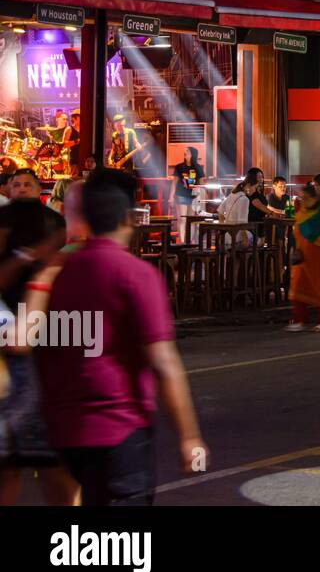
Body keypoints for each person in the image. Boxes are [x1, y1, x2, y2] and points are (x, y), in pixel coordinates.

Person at [37, 169, 206, 504]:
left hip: (66, 431)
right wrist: (189, 436)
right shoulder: (136, 275)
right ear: (130, 218)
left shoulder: (59, 275)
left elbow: (50, 351)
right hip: (119, 430)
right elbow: (162, 360)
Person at [0, 169, 77, 505]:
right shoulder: (6, 218)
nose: (21, 188)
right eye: (16, 184)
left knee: (44, 458)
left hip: (42, 328)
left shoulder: (51, 223)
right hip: (27, 328)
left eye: (27, 183)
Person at [287, 182, 320, 332]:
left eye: (306, 197)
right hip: (302, 257)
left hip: (319, 258)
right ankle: (299, 320)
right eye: (301, 197)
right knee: (298, 287)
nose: (303, 200)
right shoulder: (301, 212)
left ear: (315, 198)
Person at [171, 147, 204, 236]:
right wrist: (171, 197)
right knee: (182, 219)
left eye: (187, 151)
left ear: (193, 154)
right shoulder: (179, 167)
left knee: (191, 220)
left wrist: (201, 197)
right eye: (185, 151)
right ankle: (182, 241)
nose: (185, 152)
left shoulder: (198, 168)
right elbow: (174, 183)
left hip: (193, 196)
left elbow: (201, 184)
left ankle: (190, 242)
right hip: (181, 195)